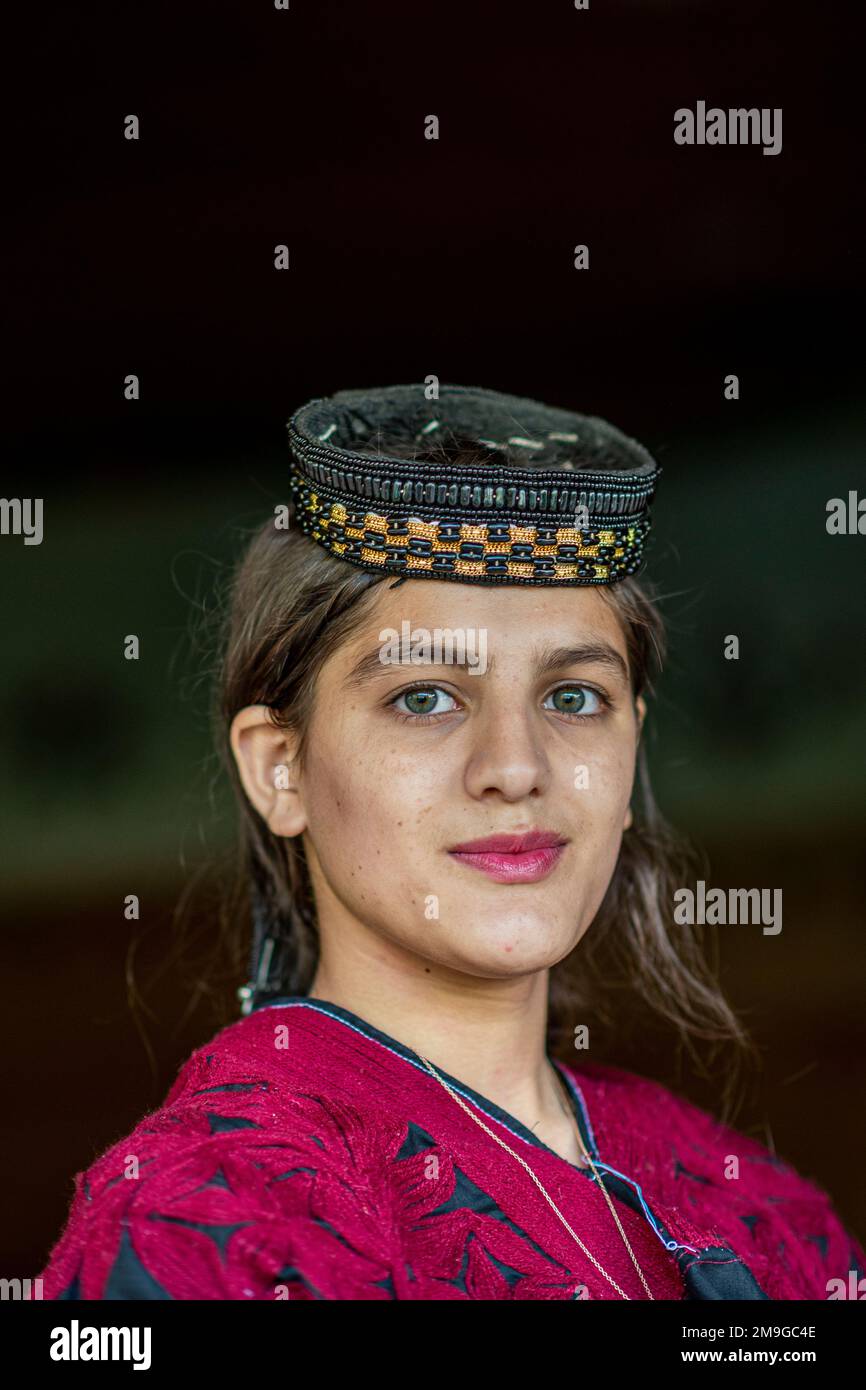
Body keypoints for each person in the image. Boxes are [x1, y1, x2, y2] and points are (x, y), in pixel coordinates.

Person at [35, 383, 864, 1300]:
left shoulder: (765, 1217)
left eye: (573, 698)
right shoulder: (204, 1227)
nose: (515, 766)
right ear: (281, 768)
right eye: (424, 697)